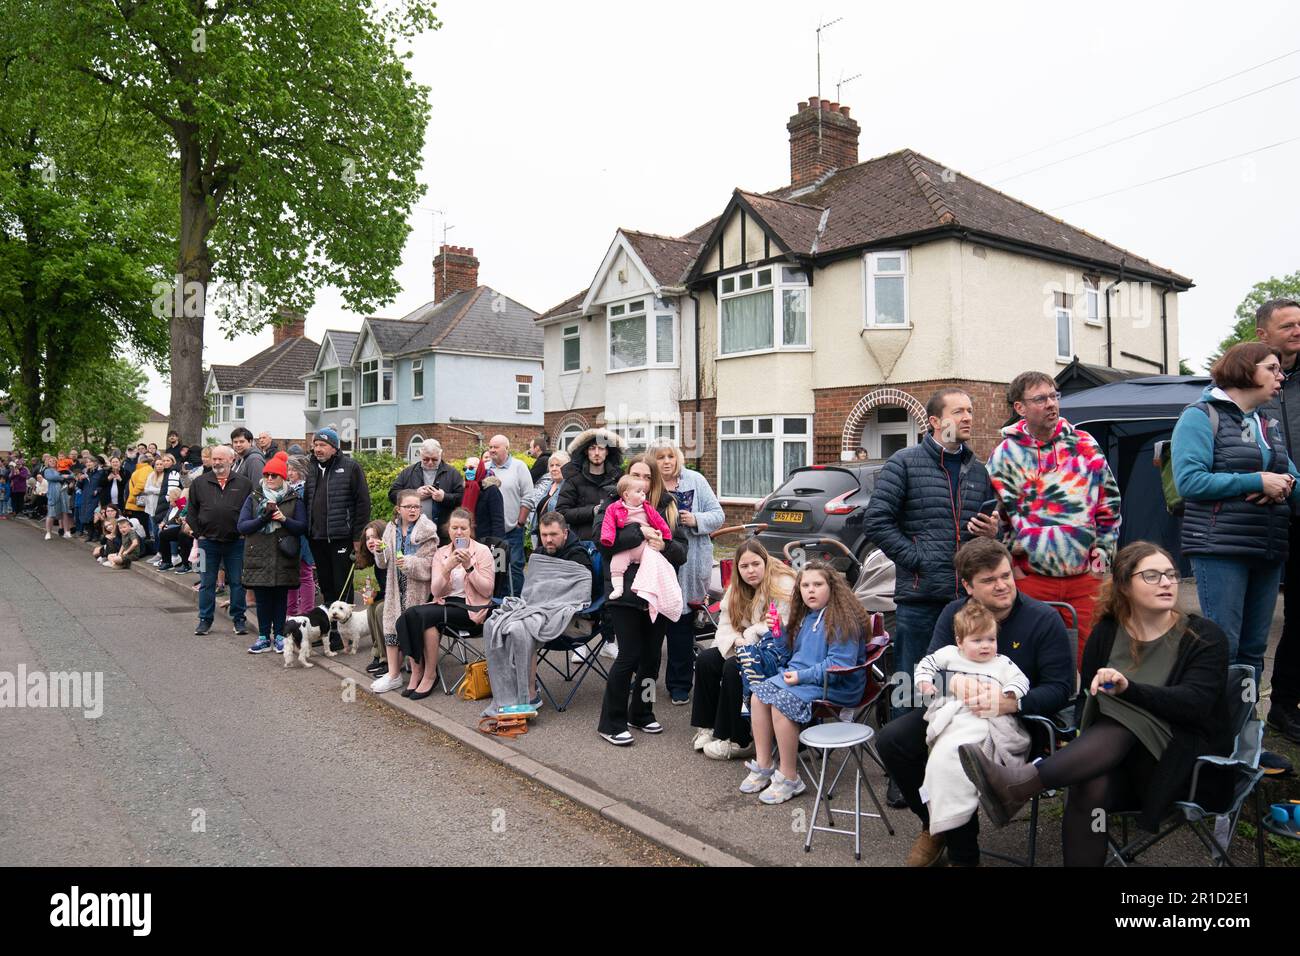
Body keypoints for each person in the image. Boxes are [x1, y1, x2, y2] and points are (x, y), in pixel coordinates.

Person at [960, 542, 1231, 866]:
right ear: (1125, 586)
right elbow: (1087, 705)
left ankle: (1021, 784)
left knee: (1126, 710)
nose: (1167, 582)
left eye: (1171, 575)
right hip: (1113, 761)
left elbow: (1195, 705)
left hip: (1180, 764)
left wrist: (1130, 690)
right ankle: (1020, 786)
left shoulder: (1203, 636)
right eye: (1152, 575)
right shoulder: (1107, 632)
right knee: (1090, 784)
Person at [875, 537, 1073, 867]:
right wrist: (955, 682)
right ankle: (935, 823)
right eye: (989, 580)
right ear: (968, 586)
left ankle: (962, 852)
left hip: (1020, 722)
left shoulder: (1043, 620)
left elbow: (1061, 689)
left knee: (959, 756)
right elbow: (929, 668)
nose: (1002, 586)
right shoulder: (955, 613)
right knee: (892, 741)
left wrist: (1012, 704)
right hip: (958, 712)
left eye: (1005, 575)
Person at [1172, 341, 1300, 694]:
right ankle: (1215, 738)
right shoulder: (1200, 416)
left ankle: (1245, 737)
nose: (1281, 376)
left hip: (1267, 546)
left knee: (1254, 650)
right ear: (1245, 369)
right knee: (1223, 647)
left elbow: (1291, 477)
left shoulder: (1267, 424)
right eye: (1271, 369)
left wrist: (1285, 482)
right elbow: (1189, 481)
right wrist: (1256, 480)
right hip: (1220, 548)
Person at [862, 387, 998, 712]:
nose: (968, 418)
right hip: (920, 601)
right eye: (959, 412)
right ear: (936, 421)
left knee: (958, 686)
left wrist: (994, 531)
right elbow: (877, 521)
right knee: (910, 689)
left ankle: (945, 757)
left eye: (970, 411)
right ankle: (902, 759)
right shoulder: (905, 463)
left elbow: (991, 534)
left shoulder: (978, 471)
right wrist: (916, 560)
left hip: (966, 601)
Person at [989, 370, 1122, 665]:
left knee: (1092, 661)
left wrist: (1101, 562)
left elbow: (1109, 505)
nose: (1050, 404)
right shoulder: (1004, 456)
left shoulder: (1085, 444)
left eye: (1053, 396)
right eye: (1040, 399)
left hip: (1086, 578)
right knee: (1032, 660)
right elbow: (998, 519)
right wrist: (1013, 567)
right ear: (1019, 408)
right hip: (1032, 579)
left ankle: (1086, 712)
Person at [739, 562, 869, 804]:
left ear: (832, 587)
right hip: (801, 678)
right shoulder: (806, 618)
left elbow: (838, 665)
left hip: (835, 685)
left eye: (818, 584)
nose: (810, 590)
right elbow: (790, 657)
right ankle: (765, 765)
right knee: (758, 697)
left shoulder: (843, 619)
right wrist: (778, 633)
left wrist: (802, 677)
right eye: (805, 585)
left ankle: (790, 777)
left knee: (780, 703)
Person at [913, 601, 1031, 836]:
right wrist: (924, 681)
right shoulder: (949, 654)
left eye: (991, 639)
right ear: (959, 641)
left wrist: (1009, 693)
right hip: (956, 715)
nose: (986, 646)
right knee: (942, 757)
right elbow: (926, 664)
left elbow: (1021, 680)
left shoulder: (1002, 663)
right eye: (977, 641)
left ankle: (976, 776)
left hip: (987, 717)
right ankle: (947, 811)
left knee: (969, 745)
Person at [596, 459, 688, 746]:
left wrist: (666, 545)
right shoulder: (610, 506)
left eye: (647, 476)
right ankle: (611, 721)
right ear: (626, 479)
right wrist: (641, 533)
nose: (642, 481)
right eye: (636, 475)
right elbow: (604, 542)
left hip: (655, 594)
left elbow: (681, 551)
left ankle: (642, 712)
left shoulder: (666, 508)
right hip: (624, 594)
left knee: (651, 660)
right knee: (628, 657)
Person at [691, 539, 796, 761]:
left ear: (765, 562)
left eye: (755, 564)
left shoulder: (783, 584)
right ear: (738, 568)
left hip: (776, 652)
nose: (750, 571)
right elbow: (726, 625)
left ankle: (739, 739)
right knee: (706, 660)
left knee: (733, 667)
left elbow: (782, 624)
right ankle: (707, 727)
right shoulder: (736, 589)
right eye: (744, 566)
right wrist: (736, 640)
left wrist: (749, 635)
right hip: (747, 645)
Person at [483, 510, 594, 713]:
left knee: (521, 629)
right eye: (544, 535)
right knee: (501, 625)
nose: (548, 540)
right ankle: (512, 692)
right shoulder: (540, 554)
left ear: (565, 533)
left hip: (569, 619)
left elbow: (581, 593)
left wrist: (548, 605)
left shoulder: (578, 555)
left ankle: (530, 694)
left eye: (553, 535)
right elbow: (532, 590)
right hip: (536, 610)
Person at [646, 439, 726, 705]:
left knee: (681, 628)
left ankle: (679, 686)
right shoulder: (648, 484)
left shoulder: (695, 480)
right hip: (658, 561)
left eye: (671, 456)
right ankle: (645, 683)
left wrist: (696, 520)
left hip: (691, 563)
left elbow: (718, 515)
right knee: (653, 628)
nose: (667, 461)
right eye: (660, 457)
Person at [1253, 297, 1300, 743]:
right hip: (1258, 517)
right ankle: (1244, 716)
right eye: (1288, 325)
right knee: (1252, 624)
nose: (1298, 331)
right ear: (1263, 334)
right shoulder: (1244, 380)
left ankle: (1286, 704)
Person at [394, 507, 497, 701]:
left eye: (463, 528)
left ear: (470, 530)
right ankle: (418, 671)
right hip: (445, 604)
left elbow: (487, 590)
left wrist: (469, 567)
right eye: (455, 528)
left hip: (471, 608)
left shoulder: (482, 552)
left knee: (425, 616)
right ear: (448, 530)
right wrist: (447, 569)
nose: (459, 532)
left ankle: (430, 675)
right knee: (409, 616)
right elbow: (436, 592)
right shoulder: (441, 553)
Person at [303, 427, 371, 650]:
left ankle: (346, 635)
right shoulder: (311, 468)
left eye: (323, 445)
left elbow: (362, 503)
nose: (318, 449)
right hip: (318, 537)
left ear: (334, 447)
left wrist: (358, 536)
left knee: (343, 586)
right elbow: (307, 501)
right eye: (316, 444)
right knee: (327, 586)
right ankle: (330, 631)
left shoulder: (350, 468)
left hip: (342, 537)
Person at [368, 491, 440, 695]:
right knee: (391, 626)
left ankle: (417, 671)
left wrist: (409, 563)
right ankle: (393, 674)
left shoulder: (428, 532)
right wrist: (380, 550)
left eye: (417, 506)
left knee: (410, 628)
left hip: (417, 589)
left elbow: (429, 565)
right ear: (398, 509)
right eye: (408, 506)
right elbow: (383, 563)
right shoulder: (391, 528)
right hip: (394, 585)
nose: (413, 510)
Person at [237, 452, 306, 654]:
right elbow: (242, 526)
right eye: (266, 475)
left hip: (283, 556)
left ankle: (280, 637)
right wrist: (263, 519)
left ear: (283, 477)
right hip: (258, 555)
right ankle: (262, 637)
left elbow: (302, 527)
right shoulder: (254, 497)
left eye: (274, 476)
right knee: (263, 599)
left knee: (280, 599)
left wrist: (284, 519)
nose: (269, 479)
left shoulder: (294, 498)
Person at [186, 445, 254, 636]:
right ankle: (205, 620)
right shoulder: (199, 483)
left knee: (237, 583)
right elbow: (191, 512)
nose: (216, 462)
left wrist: (244, 532)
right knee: (207, 582)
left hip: (236, 543)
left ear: (231, 460)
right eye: (214, 459)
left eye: (220, 459)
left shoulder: (244, 483)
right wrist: (199, 534)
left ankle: (239, 620)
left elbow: (251, 510)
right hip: (207, 543)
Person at [601, 473, 675, 601]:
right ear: (626, 495)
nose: (643, 494)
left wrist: (665, 536)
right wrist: (608, 538)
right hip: (625, 548)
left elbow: (659, 521)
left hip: (644, 546)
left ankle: (648, 590)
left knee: (652, 565)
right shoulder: (614, 508)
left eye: (643, 491)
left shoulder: (647, 508)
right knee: (616, 564)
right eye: (638, 491)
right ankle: (618, 588)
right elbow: (608, 524)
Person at [484, 434, 534, 596]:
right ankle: (498, 605)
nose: (492, 450)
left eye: (496, 447)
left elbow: (528, 496)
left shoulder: (519, 467)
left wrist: (519, 522)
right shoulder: (484, 468)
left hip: (512, 530)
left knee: (514, 567)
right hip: (491, 533)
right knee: (496, 569)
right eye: (490, 447)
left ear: (506, 448)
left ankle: (516, 603)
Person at [387, 438, 464, 539]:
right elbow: (392, 494)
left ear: (441, 455)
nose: (430, 463)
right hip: (413, 530)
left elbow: (462, 498)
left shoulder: (452, 473)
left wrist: (444, 497)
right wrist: (414, 495)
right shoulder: (408, 472)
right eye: (426, 459)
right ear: (420, 455)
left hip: (443, 532)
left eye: (435, 459)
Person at [556, 428, 623, 542]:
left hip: (612, 543)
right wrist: (592, 511)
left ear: (607, 451)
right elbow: (562, 512)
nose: (597, 453)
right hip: (582, 544)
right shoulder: (574, 479)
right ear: (586, 451)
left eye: (601, 448)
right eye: (592, 448)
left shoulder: (618, 479)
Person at [283, 455, 318, 618]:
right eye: (288, 469)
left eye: (293, 470)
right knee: (291, 576)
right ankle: (291, 612)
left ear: (302, 471)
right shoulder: (288, 489)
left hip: (302, 538)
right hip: (290, 536)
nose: (290, 473)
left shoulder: (303, 490)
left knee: (305, 574)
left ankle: (306, 612)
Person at [355, 519, 390, 677]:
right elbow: (385, 589)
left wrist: (378, 595)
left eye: (375, 537)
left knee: (380, 609)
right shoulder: (375, 562)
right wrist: (375, 594)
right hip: (390, 596)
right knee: (372, 607)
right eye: (368, 538)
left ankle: (389, 659)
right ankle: (378, 654)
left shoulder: (386, 556)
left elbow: (394, 588)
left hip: (402, 599)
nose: (371, 541)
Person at [521, 449, 569, 549]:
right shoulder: (548, 485)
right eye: (551, 466)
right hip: (542, 534)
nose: (554, 468)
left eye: (558, 465)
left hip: (557, 538)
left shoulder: (569, 487)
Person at [155, 488, 190, 571]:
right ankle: (167, 561)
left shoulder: (185, 503)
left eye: (183, 498)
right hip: (182, 525)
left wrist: (183, 519)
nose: (182, 500)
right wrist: (181, 519)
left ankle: (185, 564)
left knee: (181, 534)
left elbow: (177, 518)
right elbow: (177, 518)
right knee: (163, 534)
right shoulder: (182, 504)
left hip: (191, 527)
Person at [42, 454, 72, 540]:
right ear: (47, 462)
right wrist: (63, 476)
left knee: (65, 512)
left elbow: (71, 475)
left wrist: (66, 476)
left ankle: (66, 531)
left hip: (64, 494)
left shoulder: (61, 469)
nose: (52, 462)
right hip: (53, 494)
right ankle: (48, 532)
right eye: (50, 461)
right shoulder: (47, 470)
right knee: (51, 514)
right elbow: (51, 477)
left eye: (54, 461)